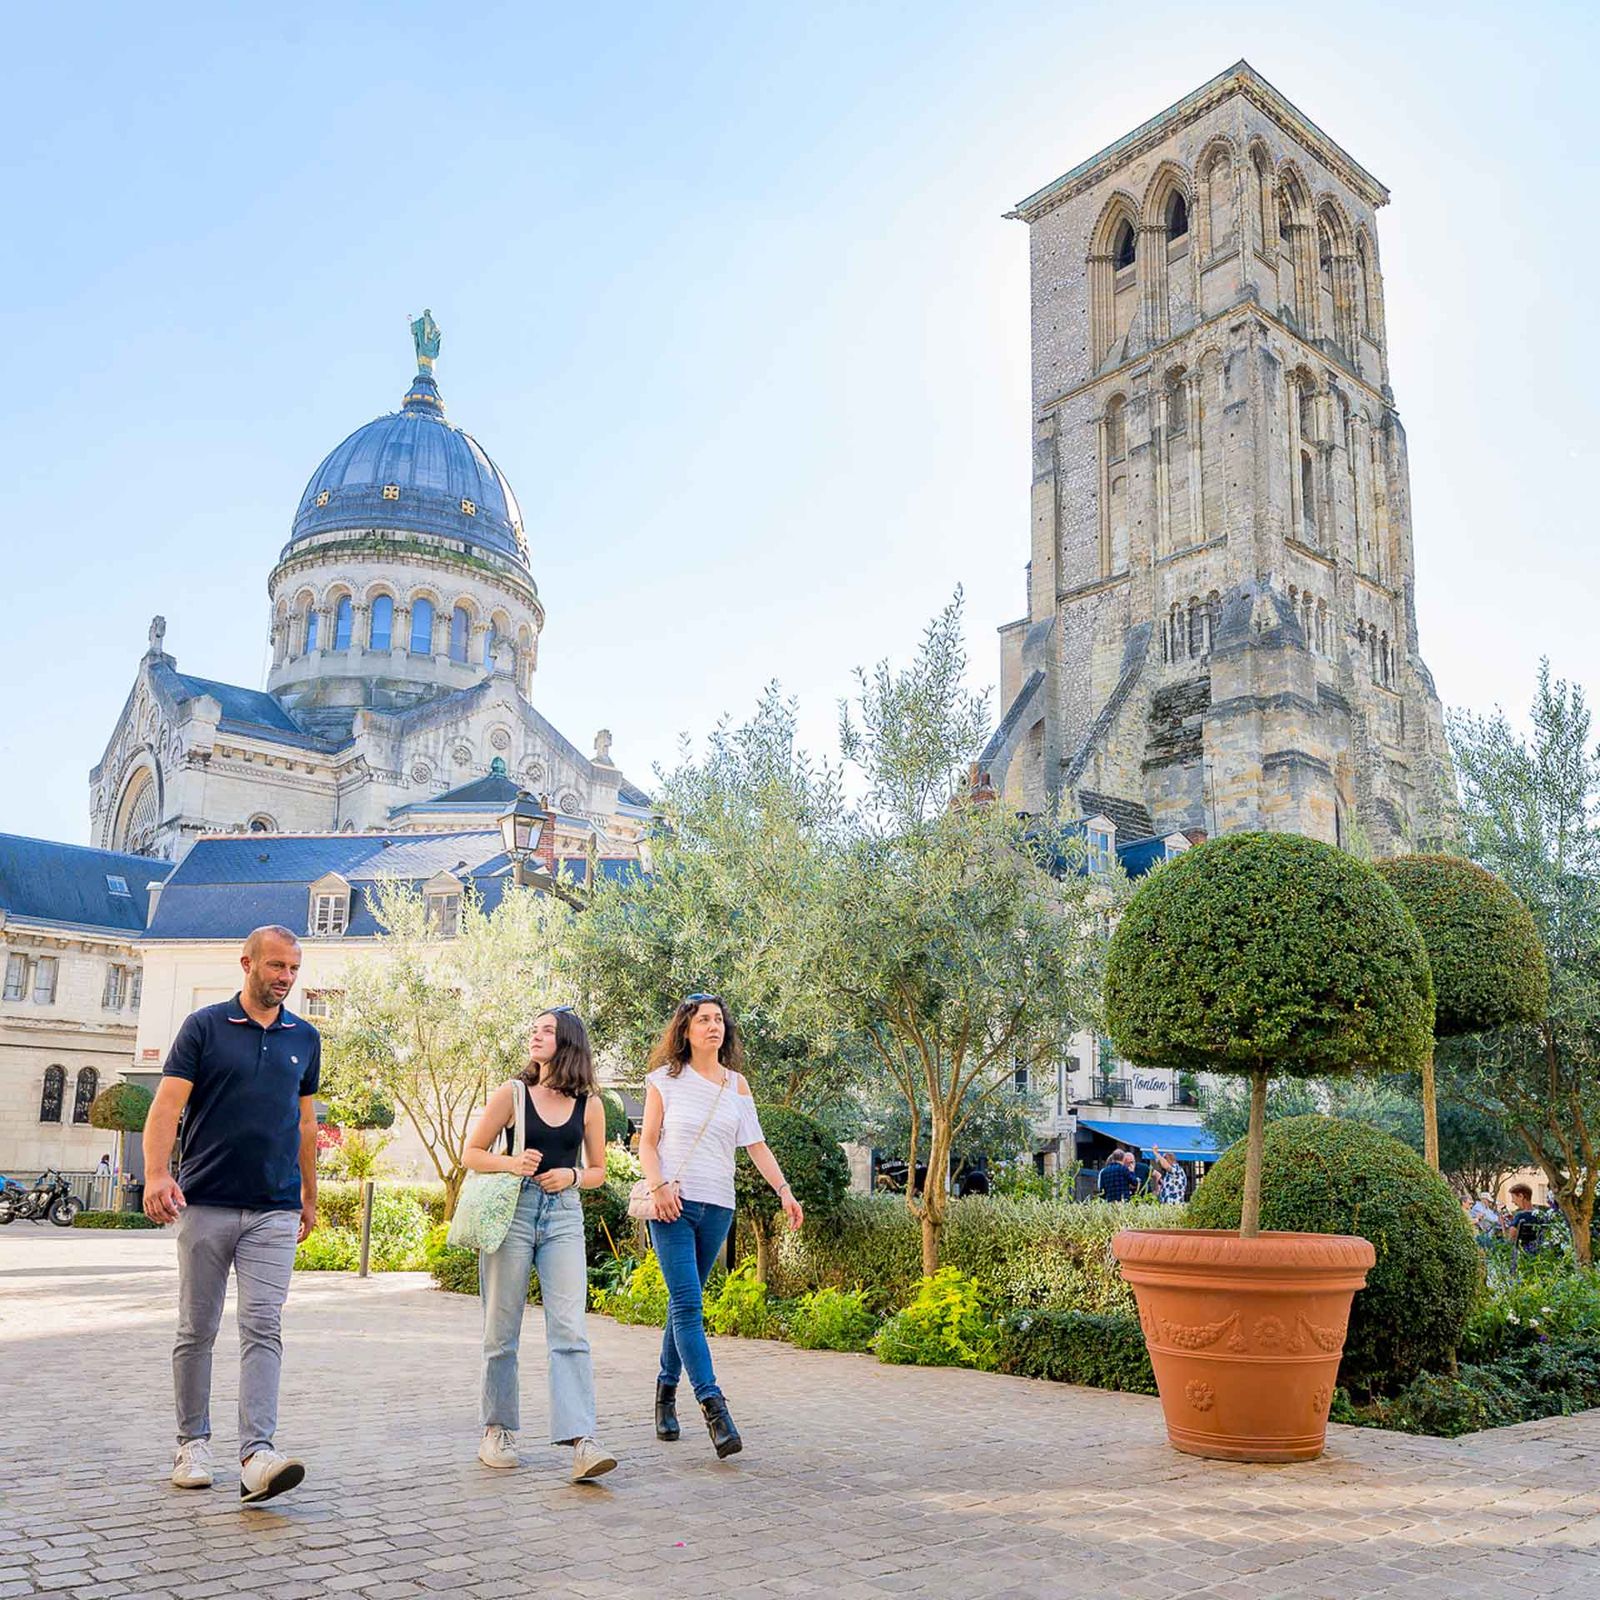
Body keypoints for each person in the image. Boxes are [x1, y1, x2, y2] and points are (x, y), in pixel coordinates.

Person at [142, 925, 319, 1503]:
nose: (286, 978)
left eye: (293, 968)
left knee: (264, 1326)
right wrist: (158, 1174)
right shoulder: (204, 1027)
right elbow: (166, 1106)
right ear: (247, 964)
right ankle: (192, 1443)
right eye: (276, 966)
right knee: (197, 1328)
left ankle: (256, 1455)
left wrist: (310, 1195)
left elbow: (305, 1123)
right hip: (206, 1202)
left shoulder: (305, 1037)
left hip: (275, 1208)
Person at [639, 993, 802, 1457]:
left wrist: (784, 1191)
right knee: (689, 1306)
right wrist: (658, 1186)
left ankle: (665, 1392)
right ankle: (715, 1410)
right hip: (672, 1205)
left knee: (683, 1304)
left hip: (718, 1208)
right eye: (703, 1020)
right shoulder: (664, 1080)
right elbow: (647, 1143)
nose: (713, 1026)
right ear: (685, 1030)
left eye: (718, 1019)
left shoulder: (737, 1085)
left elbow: (756, 1145)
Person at [461, 1006, 616, 1482]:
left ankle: (582, 1440)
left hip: (564, 1214)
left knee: (570, 1329)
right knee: (500, 1329)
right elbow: (471, 1153)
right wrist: (512, 1164)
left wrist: (572, 1175)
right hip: (514, 1211)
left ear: (568, 1041)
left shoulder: (590, 1104)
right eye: (534, 1030)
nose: (536, 1036)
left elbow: (598, 1171)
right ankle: (497, 1430)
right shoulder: (512, 1094)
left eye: (547, 1030)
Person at [1502, 1183, 1542, 1255]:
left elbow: (1510, 1240)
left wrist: (1503, 1224)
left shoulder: (1520, 1216)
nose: (1512, 1201)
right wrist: (1513, 1220)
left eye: (1513, 1197)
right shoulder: (1540, 1215)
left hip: (1522, 1254)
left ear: (1521, 1196)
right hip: (1538, 1252)